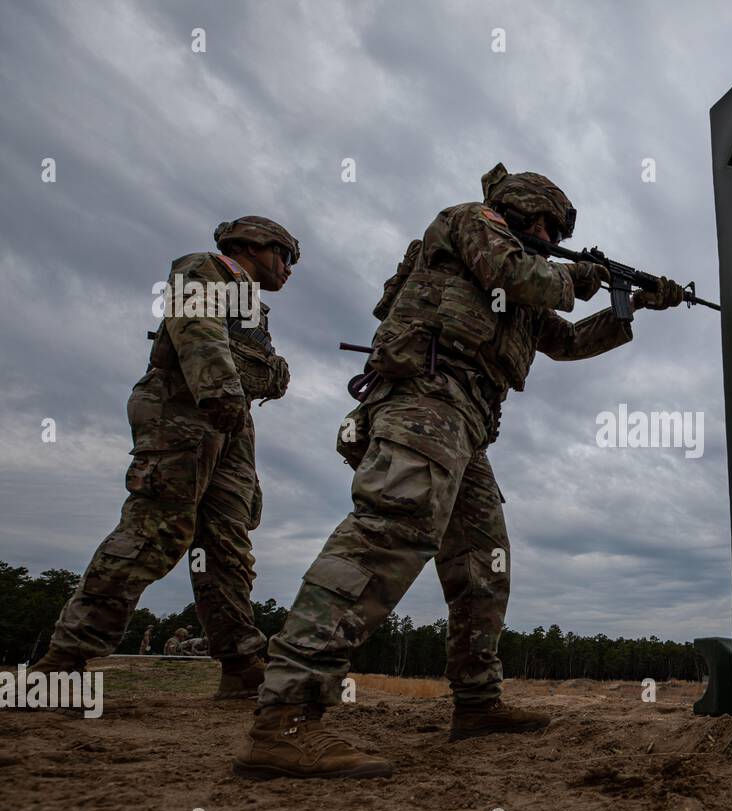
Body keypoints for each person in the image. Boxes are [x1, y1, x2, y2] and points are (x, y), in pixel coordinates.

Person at [233, 164, 684, 779]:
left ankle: (477, 703)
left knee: (482, 562)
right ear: (521, 211)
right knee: (389, 532)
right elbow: (519, 274)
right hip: (424, 398)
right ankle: (283, 721)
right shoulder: (472, 224)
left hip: (467, 422)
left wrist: (631, 309)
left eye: (558, 229)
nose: (551, 236)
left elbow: (567, 342)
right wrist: (586, 274)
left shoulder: (523, 282)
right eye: (544, 223)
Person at [31, 217, 299, 701]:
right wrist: (221, 388)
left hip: (228, 422)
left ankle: (241, 663)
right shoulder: (207, 268)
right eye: (286, 255)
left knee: (227, 543)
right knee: (157, 527)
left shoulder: (251, 305)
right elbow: (196, 326)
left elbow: (255, 365)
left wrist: (258, 382)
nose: (289, 269)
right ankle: (62, 660)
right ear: (253, 245)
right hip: (184, 408)